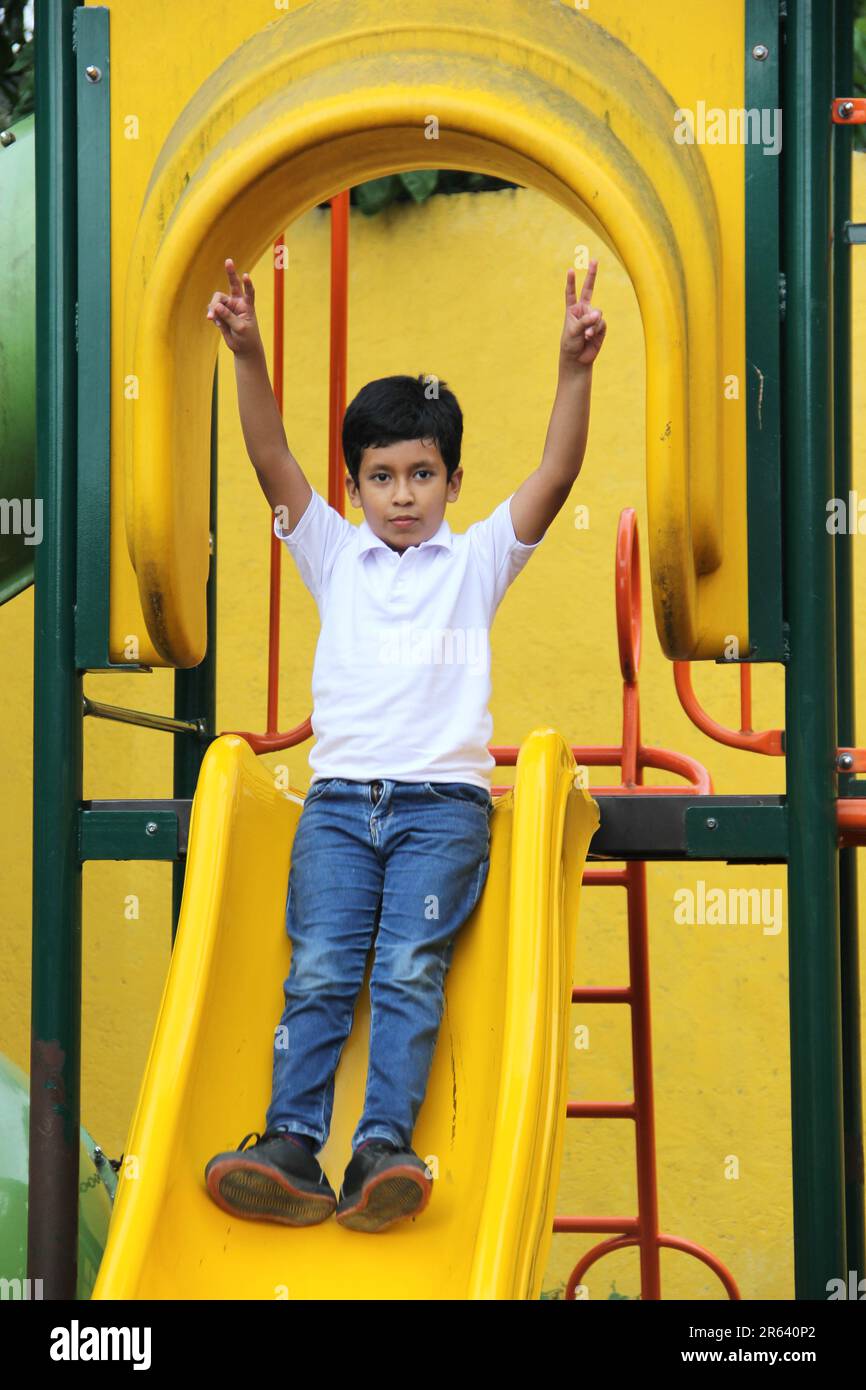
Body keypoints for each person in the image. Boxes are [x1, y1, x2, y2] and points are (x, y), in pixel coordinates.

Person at [203, 255, 606, 1234]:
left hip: (441, 813)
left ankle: (380, 1146)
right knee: (321, 968)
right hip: (338, 806)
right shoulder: (331, 553)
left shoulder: (473, 561)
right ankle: (293, 1145)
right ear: (353, 487)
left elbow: (555, 475)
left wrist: (571, 366)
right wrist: (248, 351)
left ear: (452, 480)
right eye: (379, 477)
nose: (399, 494)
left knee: (407, 966)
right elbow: (269, 460)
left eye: (420, 473)